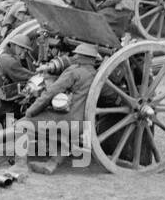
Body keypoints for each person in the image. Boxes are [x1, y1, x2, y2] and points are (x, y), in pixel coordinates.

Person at [13, 42, 101, 175]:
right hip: (83, 124)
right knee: (68, 134)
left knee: (21, 125)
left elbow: (51, 92)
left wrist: (31, 111)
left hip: (67, 120)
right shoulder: (98, 75)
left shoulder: (74, 72)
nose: (74, 57)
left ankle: (19, 165)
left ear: (81, 57)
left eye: (76, 55)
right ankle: (52, 164)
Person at [0, 31, 38, 121]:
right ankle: (11, 132)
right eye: (22, 48)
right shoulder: (10, 62)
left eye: (26, 49)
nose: (25, 51)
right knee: (17, 109)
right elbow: (30, 77)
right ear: (13, 45)